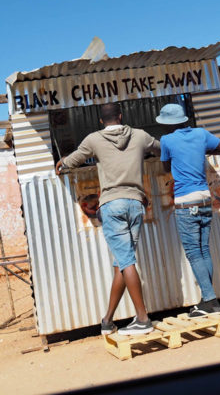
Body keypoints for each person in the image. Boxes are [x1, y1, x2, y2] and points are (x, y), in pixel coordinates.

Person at [56, 102, 160, 336]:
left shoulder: (94, 139)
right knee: (122, 262)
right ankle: (107, 320)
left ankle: (143, 319)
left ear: (102, 121)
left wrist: (61, 162)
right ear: (121, 116)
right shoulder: (139, 135)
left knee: (126, 262)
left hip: (112, 205)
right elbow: (160, 149)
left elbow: (73, 161)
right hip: (135, 203)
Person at [156, 103, 220, 318]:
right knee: (204, 249)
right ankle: (207, 300)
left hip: (186, 202)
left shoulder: (167, 140)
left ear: (168, 124)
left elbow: (165, 168)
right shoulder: (200, 133)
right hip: (206, 198)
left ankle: (210, 301)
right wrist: (202, 149)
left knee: (193, 252)